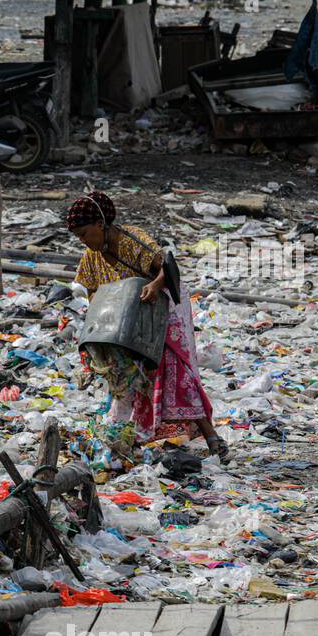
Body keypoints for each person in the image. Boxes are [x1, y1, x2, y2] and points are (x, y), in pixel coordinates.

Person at [66, 191, 228, 461]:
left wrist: (154, 285)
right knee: (131, 377)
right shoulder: (91, 257)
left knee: (175, 372)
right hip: (128, 319)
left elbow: (168, 268)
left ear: (100, 224)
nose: (83, 240)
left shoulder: (130, 240)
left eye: (84, 233)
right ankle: (132, 438)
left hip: (164, 306)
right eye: (78, 237)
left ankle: (213, 438)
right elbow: (94, 294)